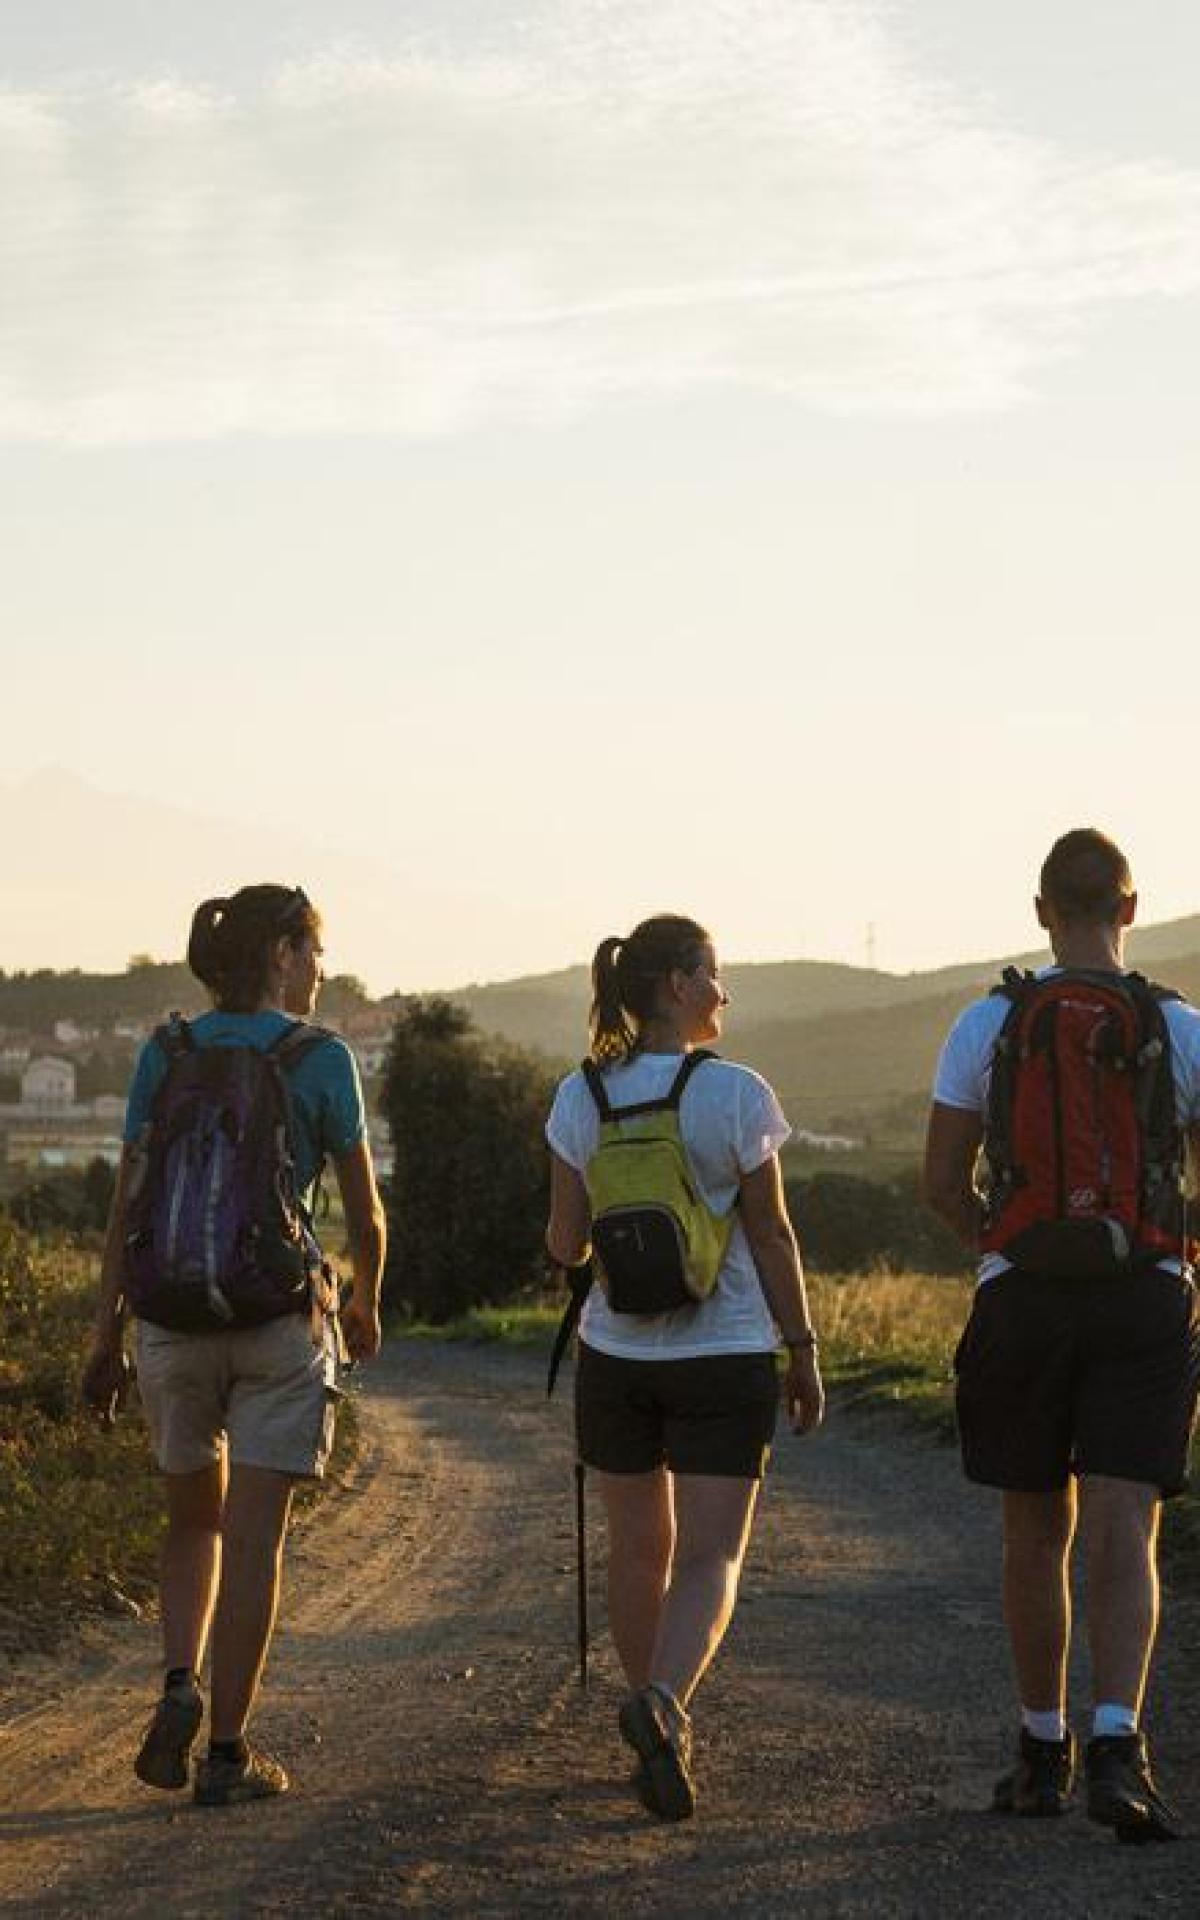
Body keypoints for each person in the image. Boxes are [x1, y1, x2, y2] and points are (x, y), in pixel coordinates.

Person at [82, 884, 386, 1806]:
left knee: (191, 1524)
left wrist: (105, 1333)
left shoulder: (167, 1052)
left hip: (170, 1323)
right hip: (276, 1326)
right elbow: (367, 1214)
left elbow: (129, 1204)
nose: (322, 970)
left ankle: (179, 1681)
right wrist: (366, 1301)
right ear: (284, 954)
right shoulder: (321, 1058)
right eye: (315, 951)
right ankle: (226, 1754)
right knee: (254, 1543)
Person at [924, 829, 1200, 1843]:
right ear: (1130, 909)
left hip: (1022, 1297)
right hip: (1145, 1295)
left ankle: (1042, 1752)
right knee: (1128, 1522)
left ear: (1042, 911)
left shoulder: (986, 1022)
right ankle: (1120, 1746)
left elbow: (941, 1181)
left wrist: (1004, 1244)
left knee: (1035, 1528)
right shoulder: (1182, 1029)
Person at [545, 914, 824, 1821]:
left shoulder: (579, 1096)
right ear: (677, 985)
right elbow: (772, 1235)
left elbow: (563, 1243)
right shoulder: (736, 1093)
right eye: (713, 974)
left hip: (614, 1352)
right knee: (711, 1555)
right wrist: (803, 1348)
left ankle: (652, 1718)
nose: (723, 992)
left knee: (638, 1549)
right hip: (725, 1351)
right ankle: (664, 1704)